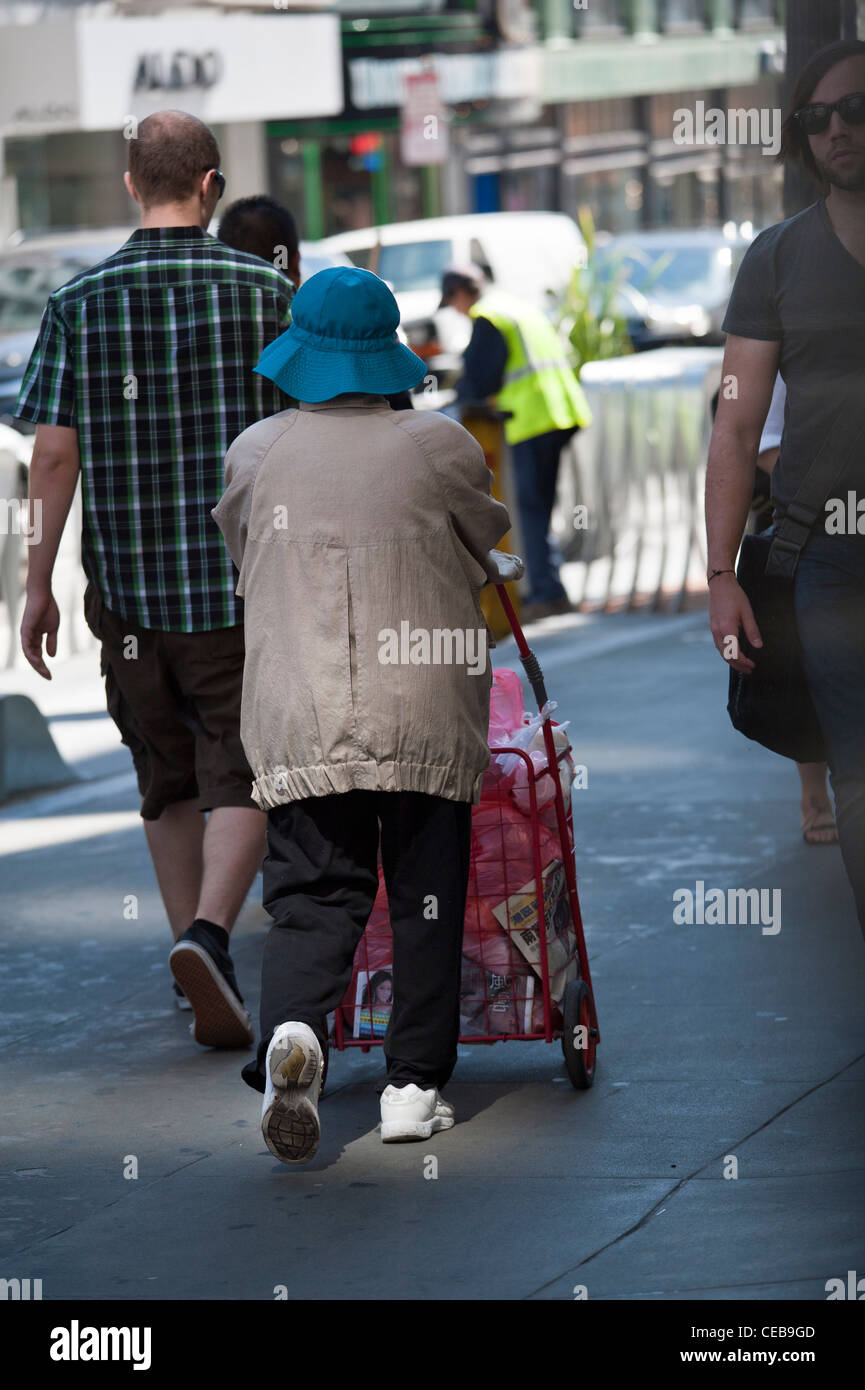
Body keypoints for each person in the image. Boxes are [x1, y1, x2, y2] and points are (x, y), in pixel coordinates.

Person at [212, 265, 523, 1163]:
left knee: (314, 894)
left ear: (299, 355)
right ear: (388, 355)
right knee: (425, 895)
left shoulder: (255, 451)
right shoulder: (439, 444)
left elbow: (246, 552)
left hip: (300, 710)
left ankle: (293, 1035)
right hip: (420, 707)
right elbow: (482, 537)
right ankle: (411, 1088)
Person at [15, 110, 295, 1045]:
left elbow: (52, 459)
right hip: (235, 590)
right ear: (210, 184)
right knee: (243, 771)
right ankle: (211, 937)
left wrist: (36, 581)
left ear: (132, 184)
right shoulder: (264, 292)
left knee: (164, 774)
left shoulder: (79, 302)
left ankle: (191, 951)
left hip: (128, 599)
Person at [706, 39, 865, 938]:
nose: (837, 130)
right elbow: (735, 426)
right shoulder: (775, 259)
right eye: (817, 118)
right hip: (831, 559)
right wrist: (720, 575)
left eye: (855, 110)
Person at [440, 264, 592, 621]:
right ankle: (551, 587)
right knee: (542, 505)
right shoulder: (517, 307)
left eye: (452, 302)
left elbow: (480, 378)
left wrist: (457, 396)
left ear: (462, 293)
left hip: (530, 418)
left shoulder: (488, 317)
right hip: (559, 412)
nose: (456, 310)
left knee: (530, 508)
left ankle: (544, 591)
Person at [753, 374, 837, 846]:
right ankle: (815, 797)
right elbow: (763, 445)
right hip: (808, 521)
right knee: (809, 664)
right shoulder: (792, 354)